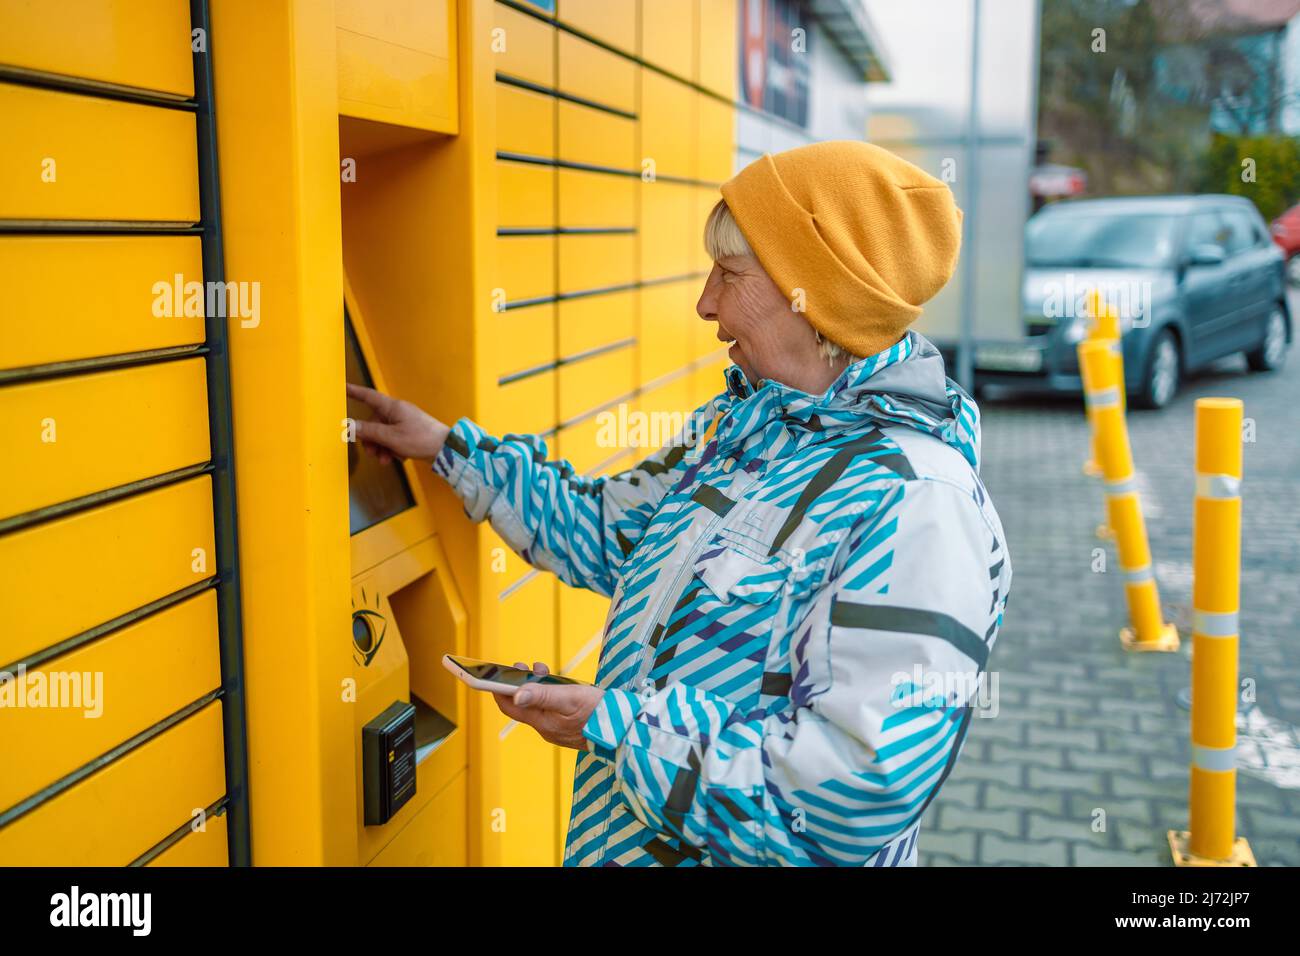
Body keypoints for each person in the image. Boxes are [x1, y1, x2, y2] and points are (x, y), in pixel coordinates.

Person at [348, 140, 1012, 867]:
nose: (705, 303)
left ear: (815, 299)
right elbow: (605, 530)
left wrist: (618, 728)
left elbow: (847, 798)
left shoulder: (920, 505)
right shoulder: (744, 427)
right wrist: (446, 448)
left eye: (730, 274)